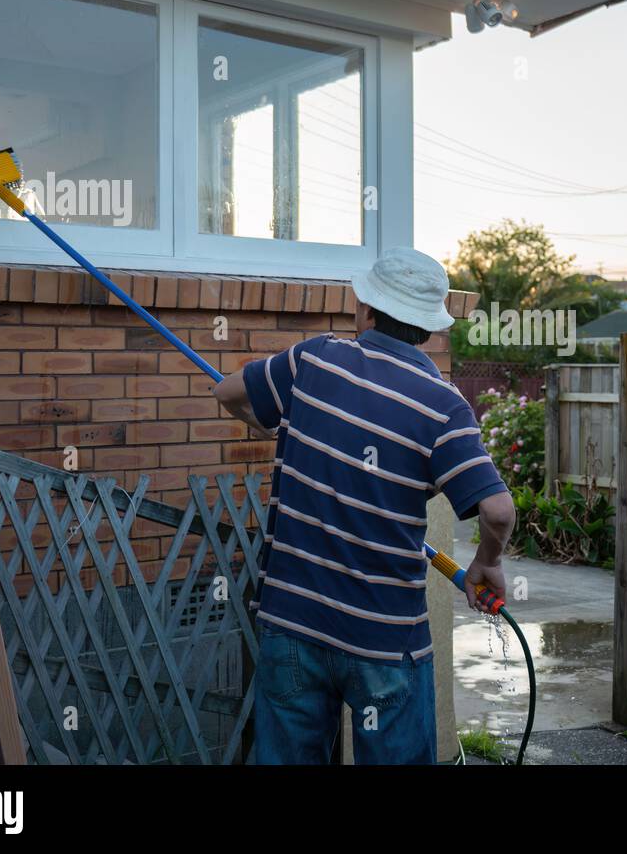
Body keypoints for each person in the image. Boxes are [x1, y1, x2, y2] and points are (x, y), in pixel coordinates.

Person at [214, 247, 515, 764]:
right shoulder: (442, 406)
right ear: (428, 328)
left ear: (366, 309)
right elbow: (497, 511)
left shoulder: (312, 360)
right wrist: (487, 562)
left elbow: (228, 393)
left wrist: (274, 425)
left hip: (294, 625)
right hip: (384, 640)